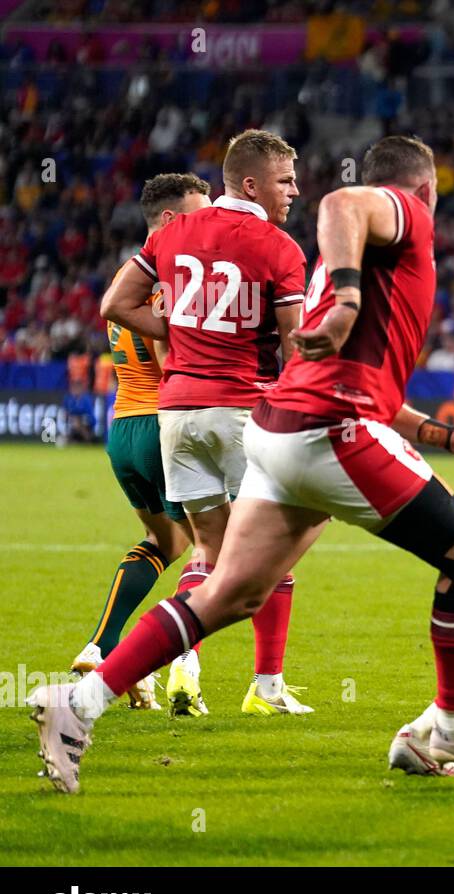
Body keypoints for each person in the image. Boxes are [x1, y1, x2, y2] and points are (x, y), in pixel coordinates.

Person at [28, 135, 454, 795]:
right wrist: (354, 301)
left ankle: (78, 704)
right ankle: (451, 722)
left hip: (280, 427)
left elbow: (355, 379)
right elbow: (339, 202)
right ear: (424, 192)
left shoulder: (336, 261)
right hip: (327, 431)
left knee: (230, 592)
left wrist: (445, 433)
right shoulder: (396, 217)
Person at [101, 130, 309, 717]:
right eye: (285, 180)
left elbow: (114, 305)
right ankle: (267, 688)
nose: (295, 190)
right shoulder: (278, 246)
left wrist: (184, 334)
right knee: (275, 551)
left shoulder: (171, 235)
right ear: (251, 183)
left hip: (177, 415)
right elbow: (294, 349)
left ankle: (183, 668)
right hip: (243, 409)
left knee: (208, 553)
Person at [69, 174, 210, 709]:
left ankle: (101, 646)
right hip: (162, 425)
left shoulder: (128, 275)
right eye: (199, 215)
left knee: (165, 544)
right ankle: (177, 666)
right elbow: (168, 364)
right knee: (209, 550)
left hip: (124, 430)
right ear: (172, 221)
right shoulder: (167, 281)